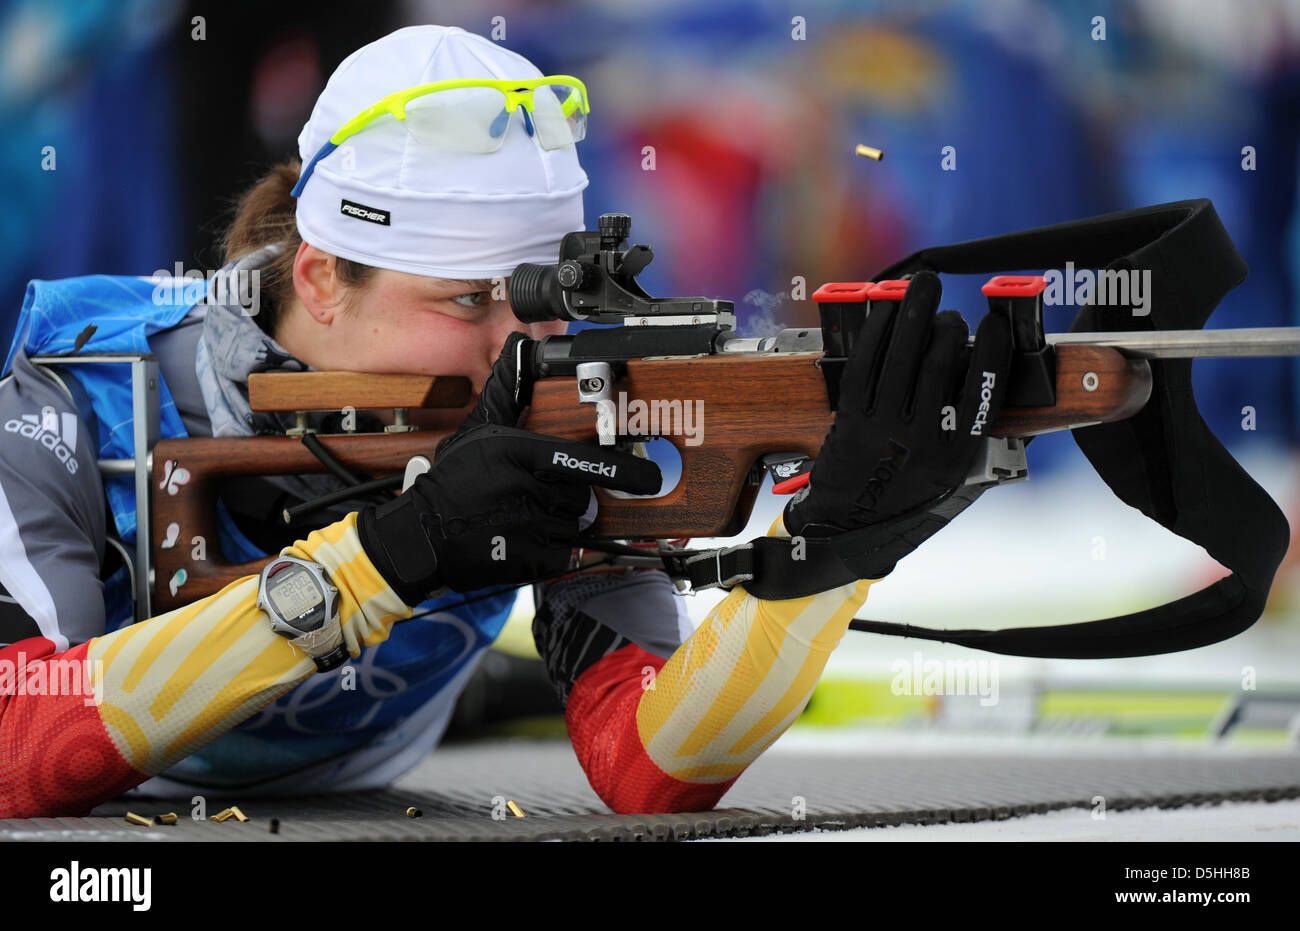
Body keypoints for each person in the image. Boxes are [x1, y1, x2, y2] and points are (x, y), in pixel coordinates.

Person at [0, 25, 1012, 818]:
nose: (511, 346)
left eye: (536, 304)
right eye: (464, 302)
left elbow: (652, 770)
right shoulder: (79, 385)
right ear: (319, 276)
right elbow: (15, 746)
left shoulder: (560, 397)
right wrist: (391, 558)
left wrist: (831, 550)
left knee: (503, 688)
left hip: (384, 759)